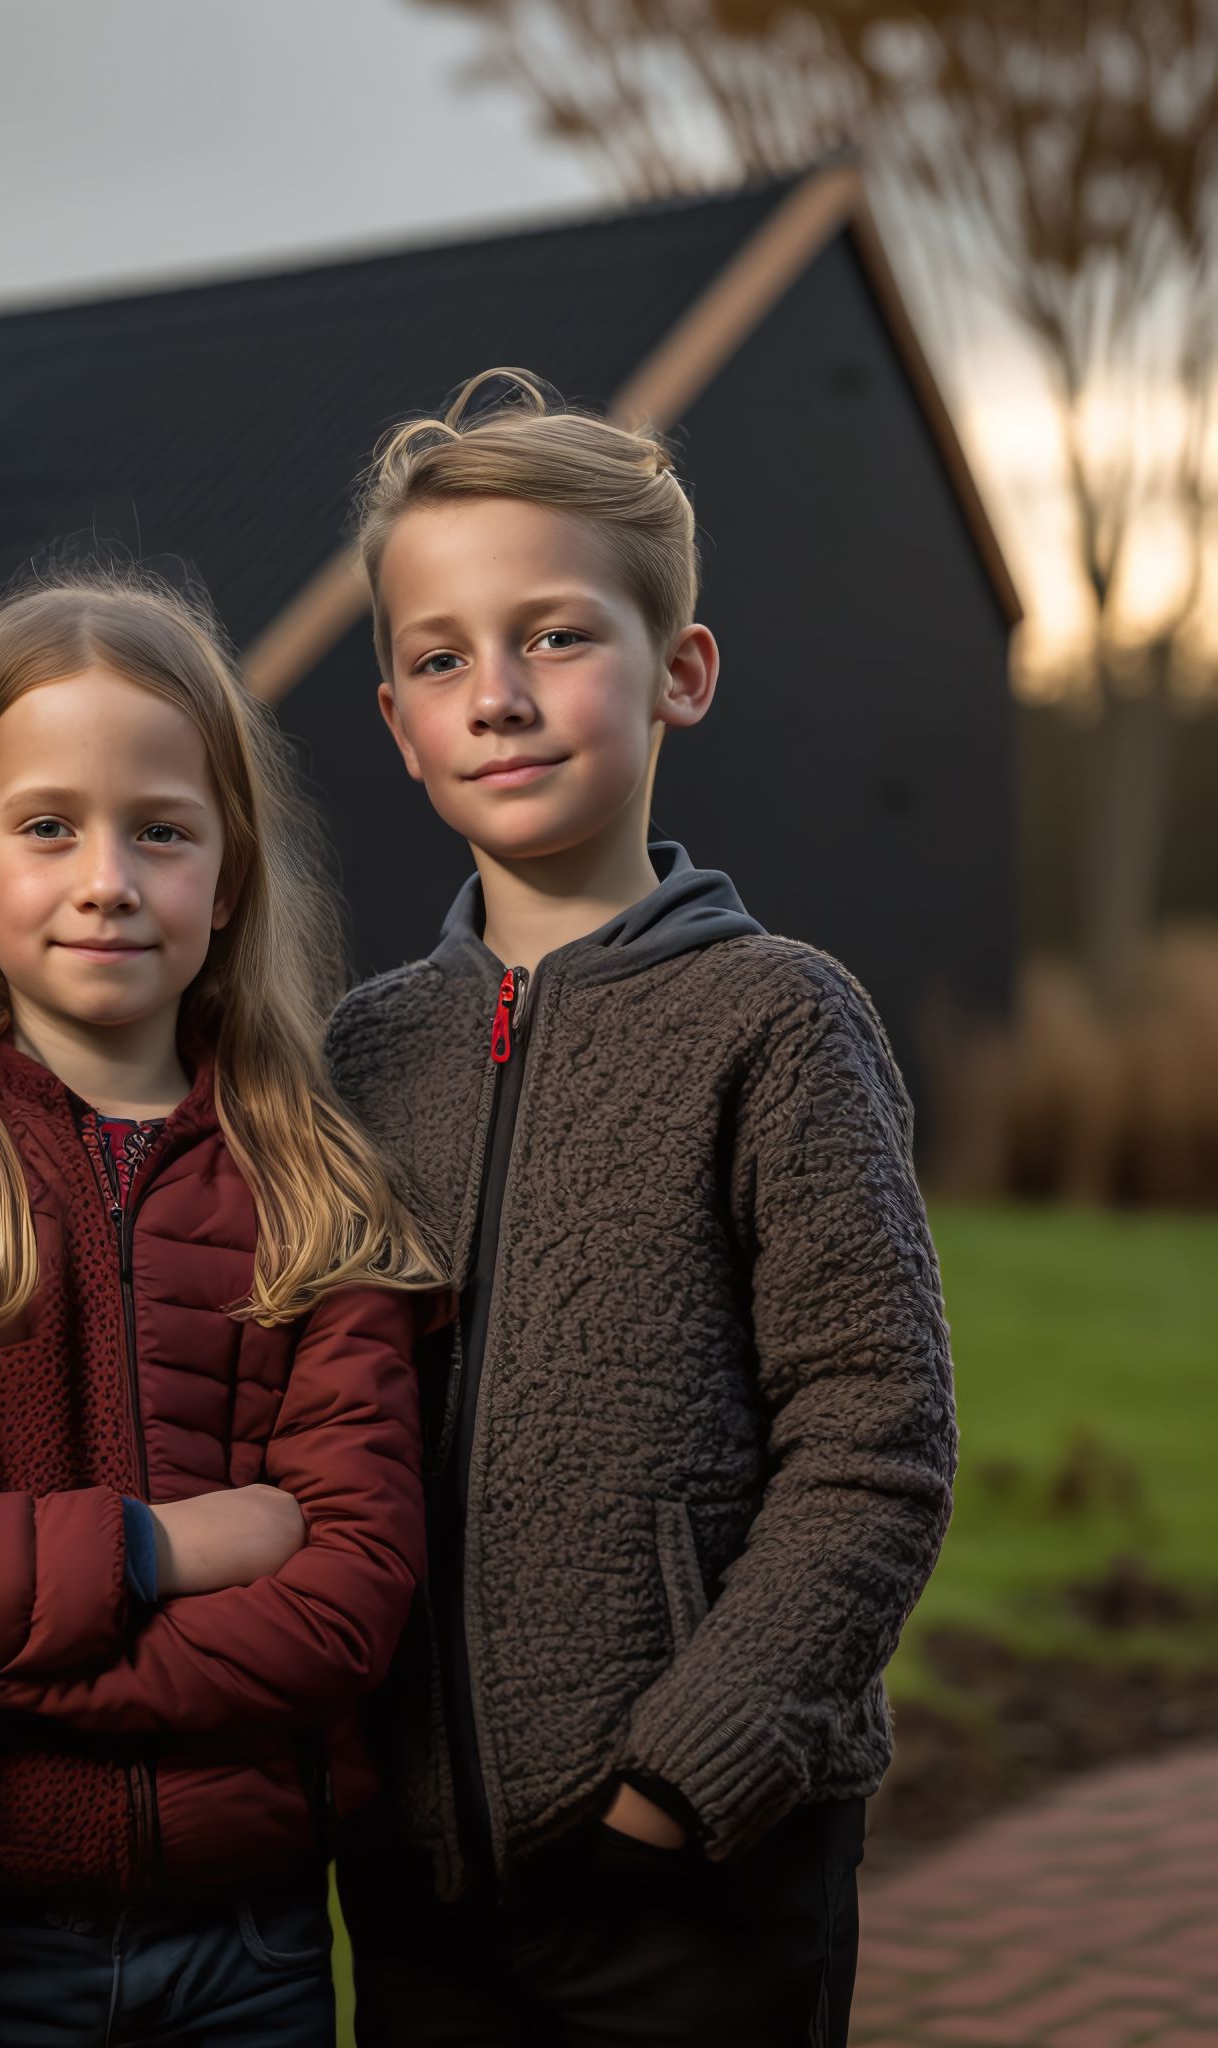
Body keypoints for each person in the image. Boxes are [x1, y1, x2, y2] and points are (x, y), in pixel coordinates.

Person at [323, 369, 959, 2047]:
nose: (499, 696)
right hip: (411, 1872)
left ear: (680, 672)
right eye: (443, 656)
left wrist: (679, 1783)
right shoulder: (361, 1048)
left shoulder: (779, 1020)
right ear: (396, 722)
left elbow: (877, 1448)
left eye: (555, 637)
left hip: (697, 1873)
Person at [0, 564, 439, 2046]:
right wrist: (159, 1548)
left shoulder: (321, 1190)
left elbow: (348, 1605)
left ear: (229, 877)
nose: (107, 876)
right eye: (48, 826)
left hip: (255, 1945)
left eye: (162, 831)